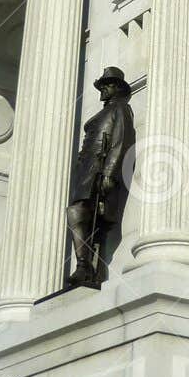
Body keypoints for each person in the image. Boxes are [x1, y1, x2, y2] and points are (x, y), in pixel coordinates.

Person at [65, 68, 134, 288]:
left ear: (118, 88)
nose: (103, 88)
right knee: (79, 215)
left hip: (99, 172)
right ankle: (85, 265)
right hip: (86, 172)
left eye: (108, 84)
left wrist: (109, 174)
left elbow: (121, 141)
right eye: (102, 85)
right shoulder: (105, 112)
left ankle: (84, 265)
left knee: (80, 214)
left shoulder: (120, 109)